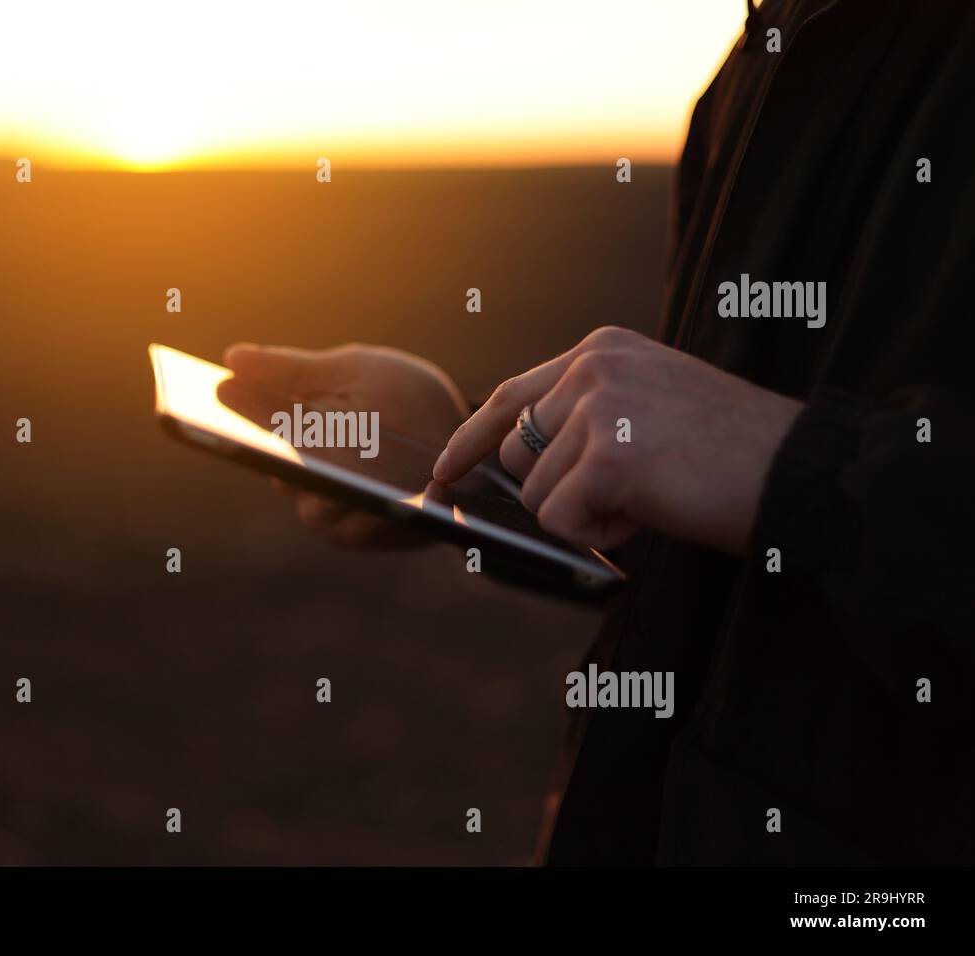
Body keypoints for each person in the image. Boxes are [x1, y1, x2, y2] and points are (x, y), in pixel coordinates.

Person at [224, 0, 975, 864]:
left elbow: (774, 477)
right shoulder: (759, 65)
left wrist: (794, 465)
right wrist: (459, 460)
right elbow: (725, 539)